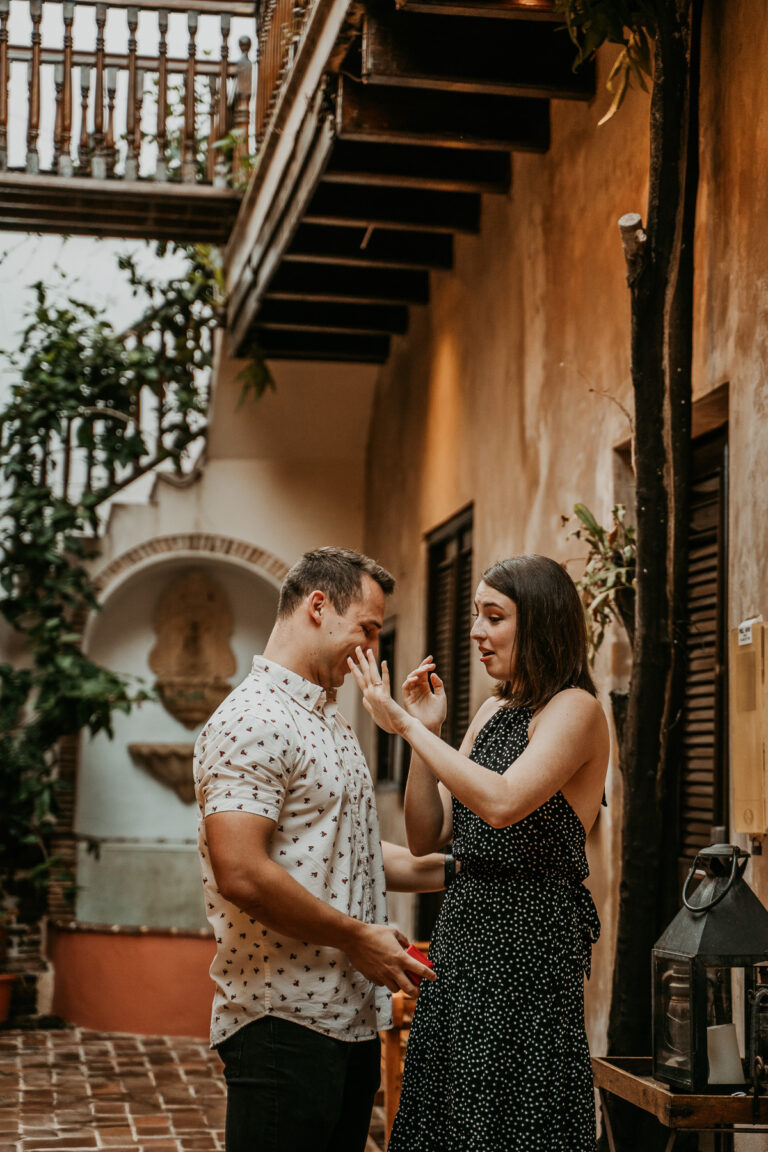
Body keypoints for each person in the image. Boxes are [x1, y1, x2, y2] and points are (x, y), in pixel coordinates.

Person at [348, 554, 610, 1152]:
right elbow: (427, 834)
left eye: (494, 617)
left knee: (512, 1112)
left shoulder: (575, 709)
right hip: (466, 936)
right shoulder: (494, 712)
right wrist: (428, 730)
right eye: (476, 616)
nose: (475, 632)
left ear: (539, 622)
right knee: (452, 1109)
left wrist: (404, 727)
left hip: (530, 947)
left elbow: (502, 803)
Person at [193, 546, 444, 1152]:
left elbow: (353, 854)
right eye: (368, 629)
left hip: (349, 1021)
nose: (371, 651)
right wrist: (357, 937)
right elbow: (240, 872)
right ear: (318, 606)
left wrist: (475, 868)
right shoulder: (253, 719)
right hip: (282, 1024)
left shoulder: (328, 718)